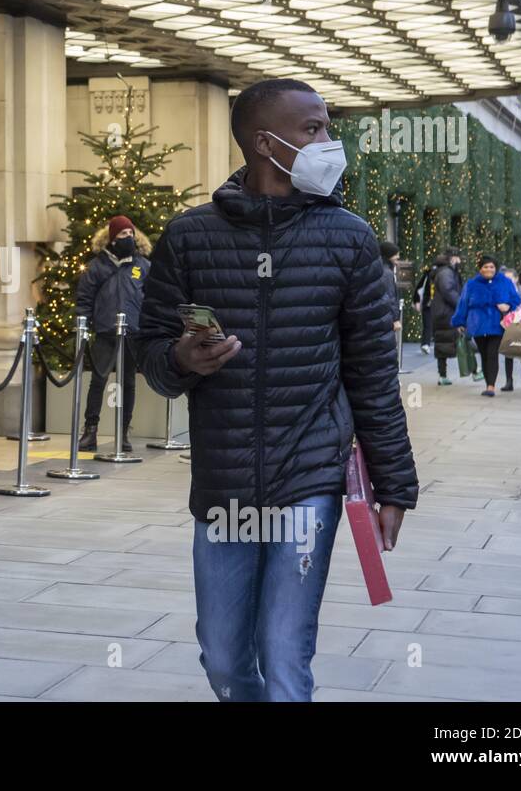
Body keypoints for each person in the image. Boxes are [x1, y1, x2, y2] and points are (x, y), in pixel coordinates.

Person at [135, 78, 418, 703]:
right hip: (224, 479)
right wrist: (184, 358)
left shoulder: (348, 237)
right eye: (313, 129)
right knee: (225, 660)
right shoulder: (190, 237)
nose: (328, 142)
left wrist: (394, 485)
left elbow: (373, 374)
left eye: (327, 127)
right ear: (266, 143)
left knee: (287, 655)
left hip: (309, 476)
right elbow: (151, 354)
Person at [76, 215, 151, 452]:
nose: (127, 238)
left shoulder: (142, 266)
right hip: (106, 331)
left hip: (132, 332)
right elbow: (85, 299)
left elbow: (151, 298)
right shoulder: (98, 266)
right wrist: (84, 325)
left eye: (130, 234)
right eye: (122, 235)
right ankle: (90, 431)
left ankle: (123, 433)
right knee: (98, 381)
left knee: (128, 382)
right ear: (112, 239)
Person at [451, 255, 520, 396]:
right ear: (480, 269)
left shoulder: (504, 282)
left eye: (491, 267)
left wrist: (507, 306)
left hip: (497, 326)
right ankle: (488, 383)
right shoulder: (471, 284)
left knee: (492, 354)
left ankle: (491, 386)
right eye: (485, 267)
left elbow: (516, 299)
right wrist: (459, 321)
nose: (489, 269)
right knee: (483, 355)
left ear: (496, 268)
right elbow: (463, 304)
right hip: (477, 325)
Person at [429, 248, 463, 386]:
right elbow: (449, 291)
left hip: (442, 312)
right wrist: (461, 305)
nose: (460, 261)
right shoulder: (446, 273)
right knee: (444, 342)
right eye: (458, 258)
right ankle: (443, 375)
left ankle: (443, 374)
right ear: (453, 258)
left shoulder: (444, 271)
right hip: (445, 312)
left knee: (444, 342)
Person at [499, 267, 521, 392]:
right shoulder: (502, 293)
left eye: (510, 278)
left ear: (516, 278)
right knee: (508, 353)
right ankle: (509, 381)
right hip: (507, 326)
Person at [380, 240, 403, 343]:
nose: (397, 262)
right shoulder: (387, 273)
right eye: (396, 258)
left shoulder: (378, 269)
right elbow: (390, 297)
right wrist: (395, 319)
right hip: (387, 318)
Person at [412, 257, 437, 353]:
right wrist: (417, 301)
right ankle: (425, 343)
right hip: (429, 303)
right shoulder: (427, 276)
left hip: (435, 304)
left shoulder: (431, 275)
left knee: (430, 324)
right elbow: (419, 288)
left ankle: (427, 343)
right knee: (428, 324)